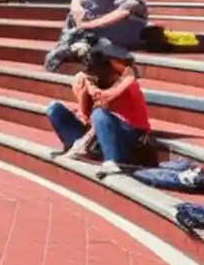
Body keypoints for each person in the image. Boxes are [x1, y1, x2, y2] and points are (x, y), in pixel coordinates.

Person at [46, 42, 151, 174]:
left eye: (96, 71)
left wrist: (91, 87)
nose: (93, 76)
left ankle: (111, 160)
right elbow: (85, 115)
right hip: (97, 136)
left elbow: (105, 98)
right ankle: (73, 148)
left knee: (99, 114)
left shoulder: (128, 83)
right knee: (55, 109)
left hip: (128, 136)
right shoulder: (88, 80)